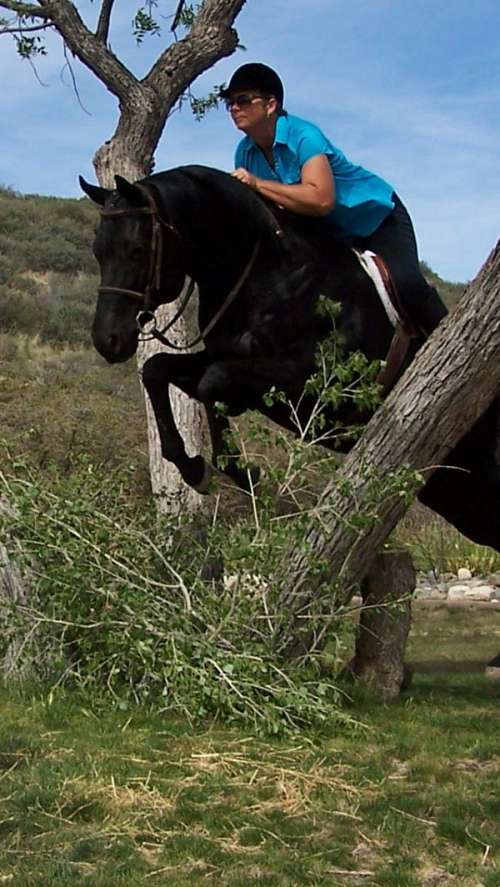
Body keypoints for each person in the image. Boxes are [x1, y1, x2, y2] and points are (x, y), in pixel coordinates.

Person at [220, 62, 447, 335]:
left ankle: (448, 339)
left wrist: (257, 183)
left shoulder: (304, 135)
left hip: (375, 220)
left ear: (271, 105)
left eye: (243, 100)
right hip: (327, 231)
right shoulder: (244, 153)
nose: (234, 108)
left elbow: (321, 199)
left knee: (407, 283)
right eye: (230, 102)